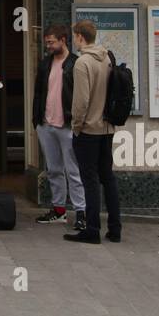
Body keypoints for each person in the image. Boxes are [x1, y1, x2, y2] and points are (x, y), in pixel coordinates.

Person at [64, 20, 121, 244]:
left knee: (89, 179)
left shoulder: (82, 63)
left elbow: (81, 101)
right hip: (107, 128)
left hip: (88, 129)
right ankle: (115, 229)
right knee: (108, 177)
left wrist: (77, 126)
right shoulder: (107, 58)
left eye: (74, 36)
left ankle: (92, 229)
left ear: (79, 37)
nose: (73, 40)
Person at [32, 25, 86, 230]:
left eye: (52, 42)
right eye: (46, 42)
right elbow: (38, 92)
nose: (48, 46)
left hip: (67, 124)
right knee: (54, 169)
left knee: (74, 170)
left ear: (63, 40)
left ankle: (81, 212)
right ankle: (59, 210)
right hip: (46, 124)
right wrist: (36, 120)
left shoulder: (75, 63)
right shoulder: (45, 64)